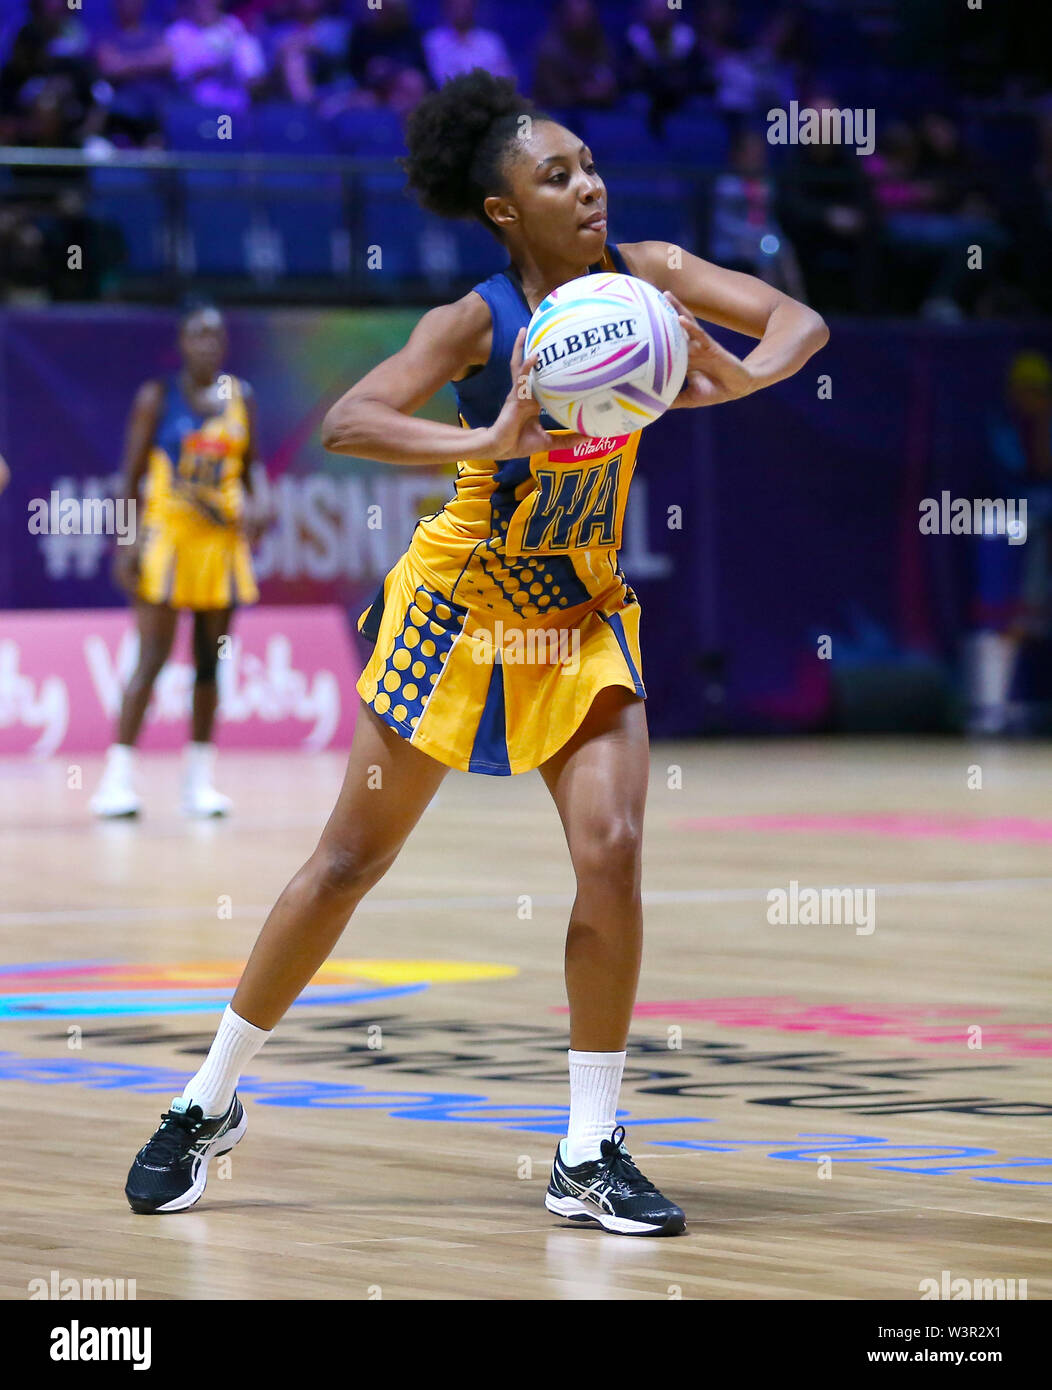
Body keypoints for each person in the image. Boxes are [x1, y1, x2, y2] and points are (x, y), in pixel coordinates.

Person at [124, 71, 827, 1235]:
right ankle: (204, 1103)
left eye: (587, 164)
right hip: (456, 608)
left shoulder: (644, 278)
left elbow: (797, 321)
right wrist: (486, 433)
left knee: (611, 844)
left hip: (576, 611)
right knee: (347, 861)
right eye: (555, 175)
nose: (586, 184)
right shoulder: (476, 317)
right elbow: (348, 418)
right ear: (504, 210)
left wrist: (725, 382)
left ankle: (587, 1148)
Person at [91, 305, 267, 820]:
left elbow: (253, 470)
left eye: (216, 335)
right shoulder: (157, 397)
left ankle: (199, 781)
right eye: (198, 334)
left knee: (211, 664)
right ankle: (117, 779)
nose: (208, 343)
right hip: (166, 543)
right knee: (151, 658)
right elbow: (128, 477)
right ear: (182, 342)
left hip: (222, 547)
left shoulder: (242, 398)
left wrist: (262, 504)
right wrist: (126, 544)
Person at [164, 0, 266, 113]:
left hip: (237, 109)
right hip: (198, 109)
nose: (204, 4)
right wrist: (215, 63)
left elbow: (252, 74)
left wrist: (249, 71)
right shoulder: (179, 30)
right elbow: (180, 75)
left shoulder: (232, 24)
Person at [532, 0, 619, 112]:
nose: (580, 20)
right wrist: (586, 92)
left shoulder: (603, 44)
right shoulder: (548, 50)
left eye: (585, 14)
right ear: (562, 15)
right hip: (555, 117)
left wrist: (604, 89)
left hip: (600, 116)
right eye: (574, 14)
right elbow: (558, 97)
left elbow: (610, 82)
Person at [423, 0, 513, 89]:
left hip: (485, 100)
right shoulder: (432, 41)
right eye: (456, 4)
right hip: (442, 100)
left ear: (474, 7)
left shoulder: (491, 42)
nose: (461, 9)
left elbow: (504, 80)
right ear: (446, 6)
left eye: (465, 5)